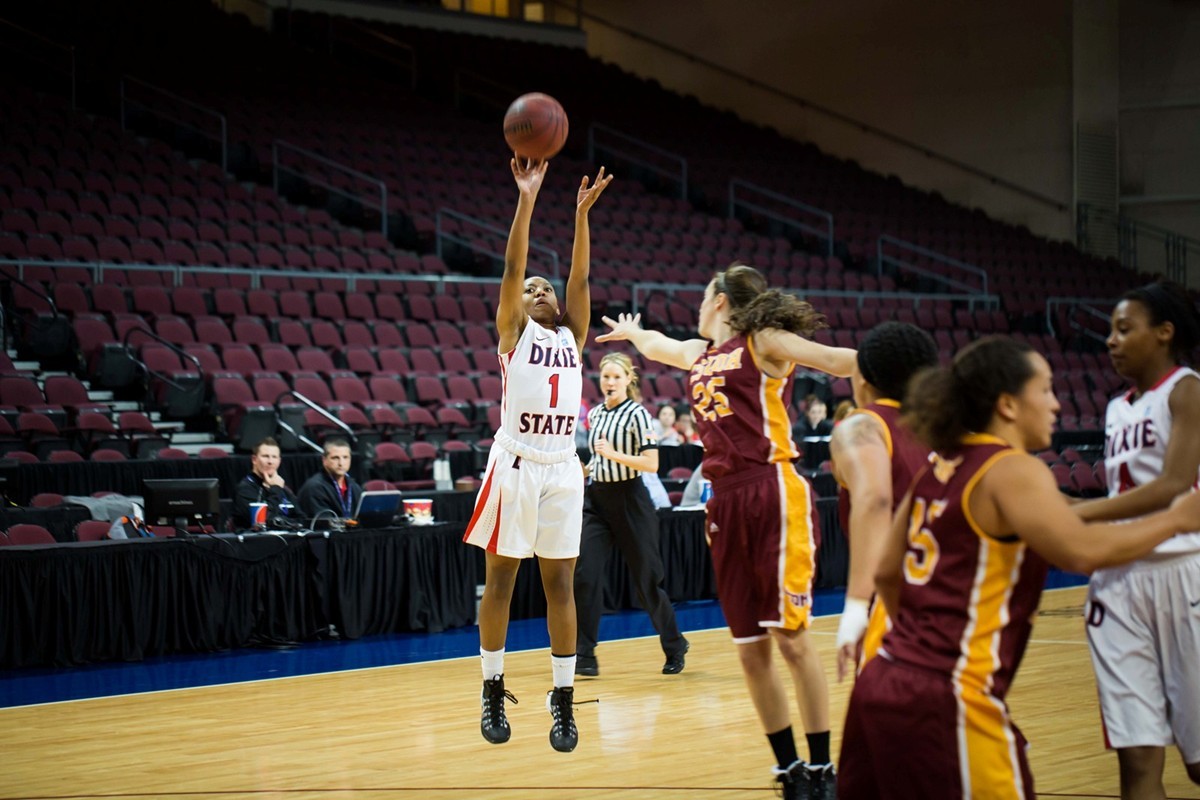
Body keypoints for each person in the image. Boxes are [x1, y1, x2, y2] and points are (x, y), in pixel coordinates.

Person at [837, 335, 1200, 800]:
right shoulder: (1011, 469)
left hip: (881, 678)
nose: (1055, 404)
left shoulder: (939, 465)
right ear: (1008, 404)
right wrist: (1175, 519)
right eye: (1045, 390)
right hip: (950, 692)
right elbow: (1082, 552)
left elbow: (887, 569)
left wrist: (914, 637)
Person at [597, 263, 857, 800]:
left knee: (791, 636)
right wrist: (631, 333)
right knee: (749, 646)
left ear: (719, 299)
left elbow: (836, 361)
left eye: (702, 295)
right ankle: (788, 770)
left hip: (773, 488)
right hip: (726, 502)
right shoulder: (698, 353)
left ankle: (823, 766)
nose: (697, 304)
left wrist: (904, 372)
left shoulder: (762, 341)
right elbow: (656, 345)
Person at [463, 156, 612, 753]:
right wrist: (528, 199)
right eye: (532, 289)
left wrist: (579, 216)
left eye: (545, 288)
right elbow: (511, 266)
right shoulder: (513, 333)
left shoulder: (572, 338)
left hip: (562, 466)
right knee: (500, 579)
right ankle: (492, 686)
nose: (540, 290)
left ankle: (563, 700)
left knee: (561, 585)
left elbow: (579, 278)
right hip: (516, 461)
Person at [1072, 280, 1200, 798]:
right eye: (1109, 330)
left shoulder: (1187, 389)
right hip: (1118, 583)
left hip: (1183, 573)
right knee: (1138, 761)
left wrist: (1077, 512)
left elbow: (1172, 486)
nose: (1111, 340)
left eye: (1124, 329)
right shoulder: (1115, 408)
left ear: (1164, 333)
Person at [829, 322, 937, 682]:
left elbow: (874, 500)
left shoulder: (861, 426)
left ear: (862, 377)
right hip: (952, 596)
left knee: (887, 727)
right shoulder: (939, 429)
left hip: (896, 602)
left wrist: (858, 604)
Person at [574, 351, 688, 679]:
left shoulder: (639, 414)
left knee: (646, 582)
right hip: (597, 500)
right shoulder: (594, 415)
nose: (609, 382)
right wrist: (586, 469)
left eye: (615, 377)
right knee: (585, 574)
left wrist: (614, 455)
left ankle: (674, 643)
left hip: (631, 501)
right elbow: (600, 460)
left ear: (628, 380)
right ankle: (585, 653)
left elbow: (651, 463)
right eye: (605, 376)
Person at [232, 436, 298, 529]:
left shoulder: (284, 488)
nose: (270, 461)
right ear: (254, 459)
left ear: (279, 461)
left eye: (274, 457)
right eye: (265, 456)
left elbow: (300, 518)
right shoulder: (245, 489)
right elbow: (264, 521)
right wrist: (275, 489)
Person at [296, 437, 361, 521]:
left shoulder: (354, 487)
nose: (341, 463)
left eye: (345, 457)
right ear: (324, 460)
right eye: (335, 458)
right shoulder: (314, 488)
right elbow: (323, 523)